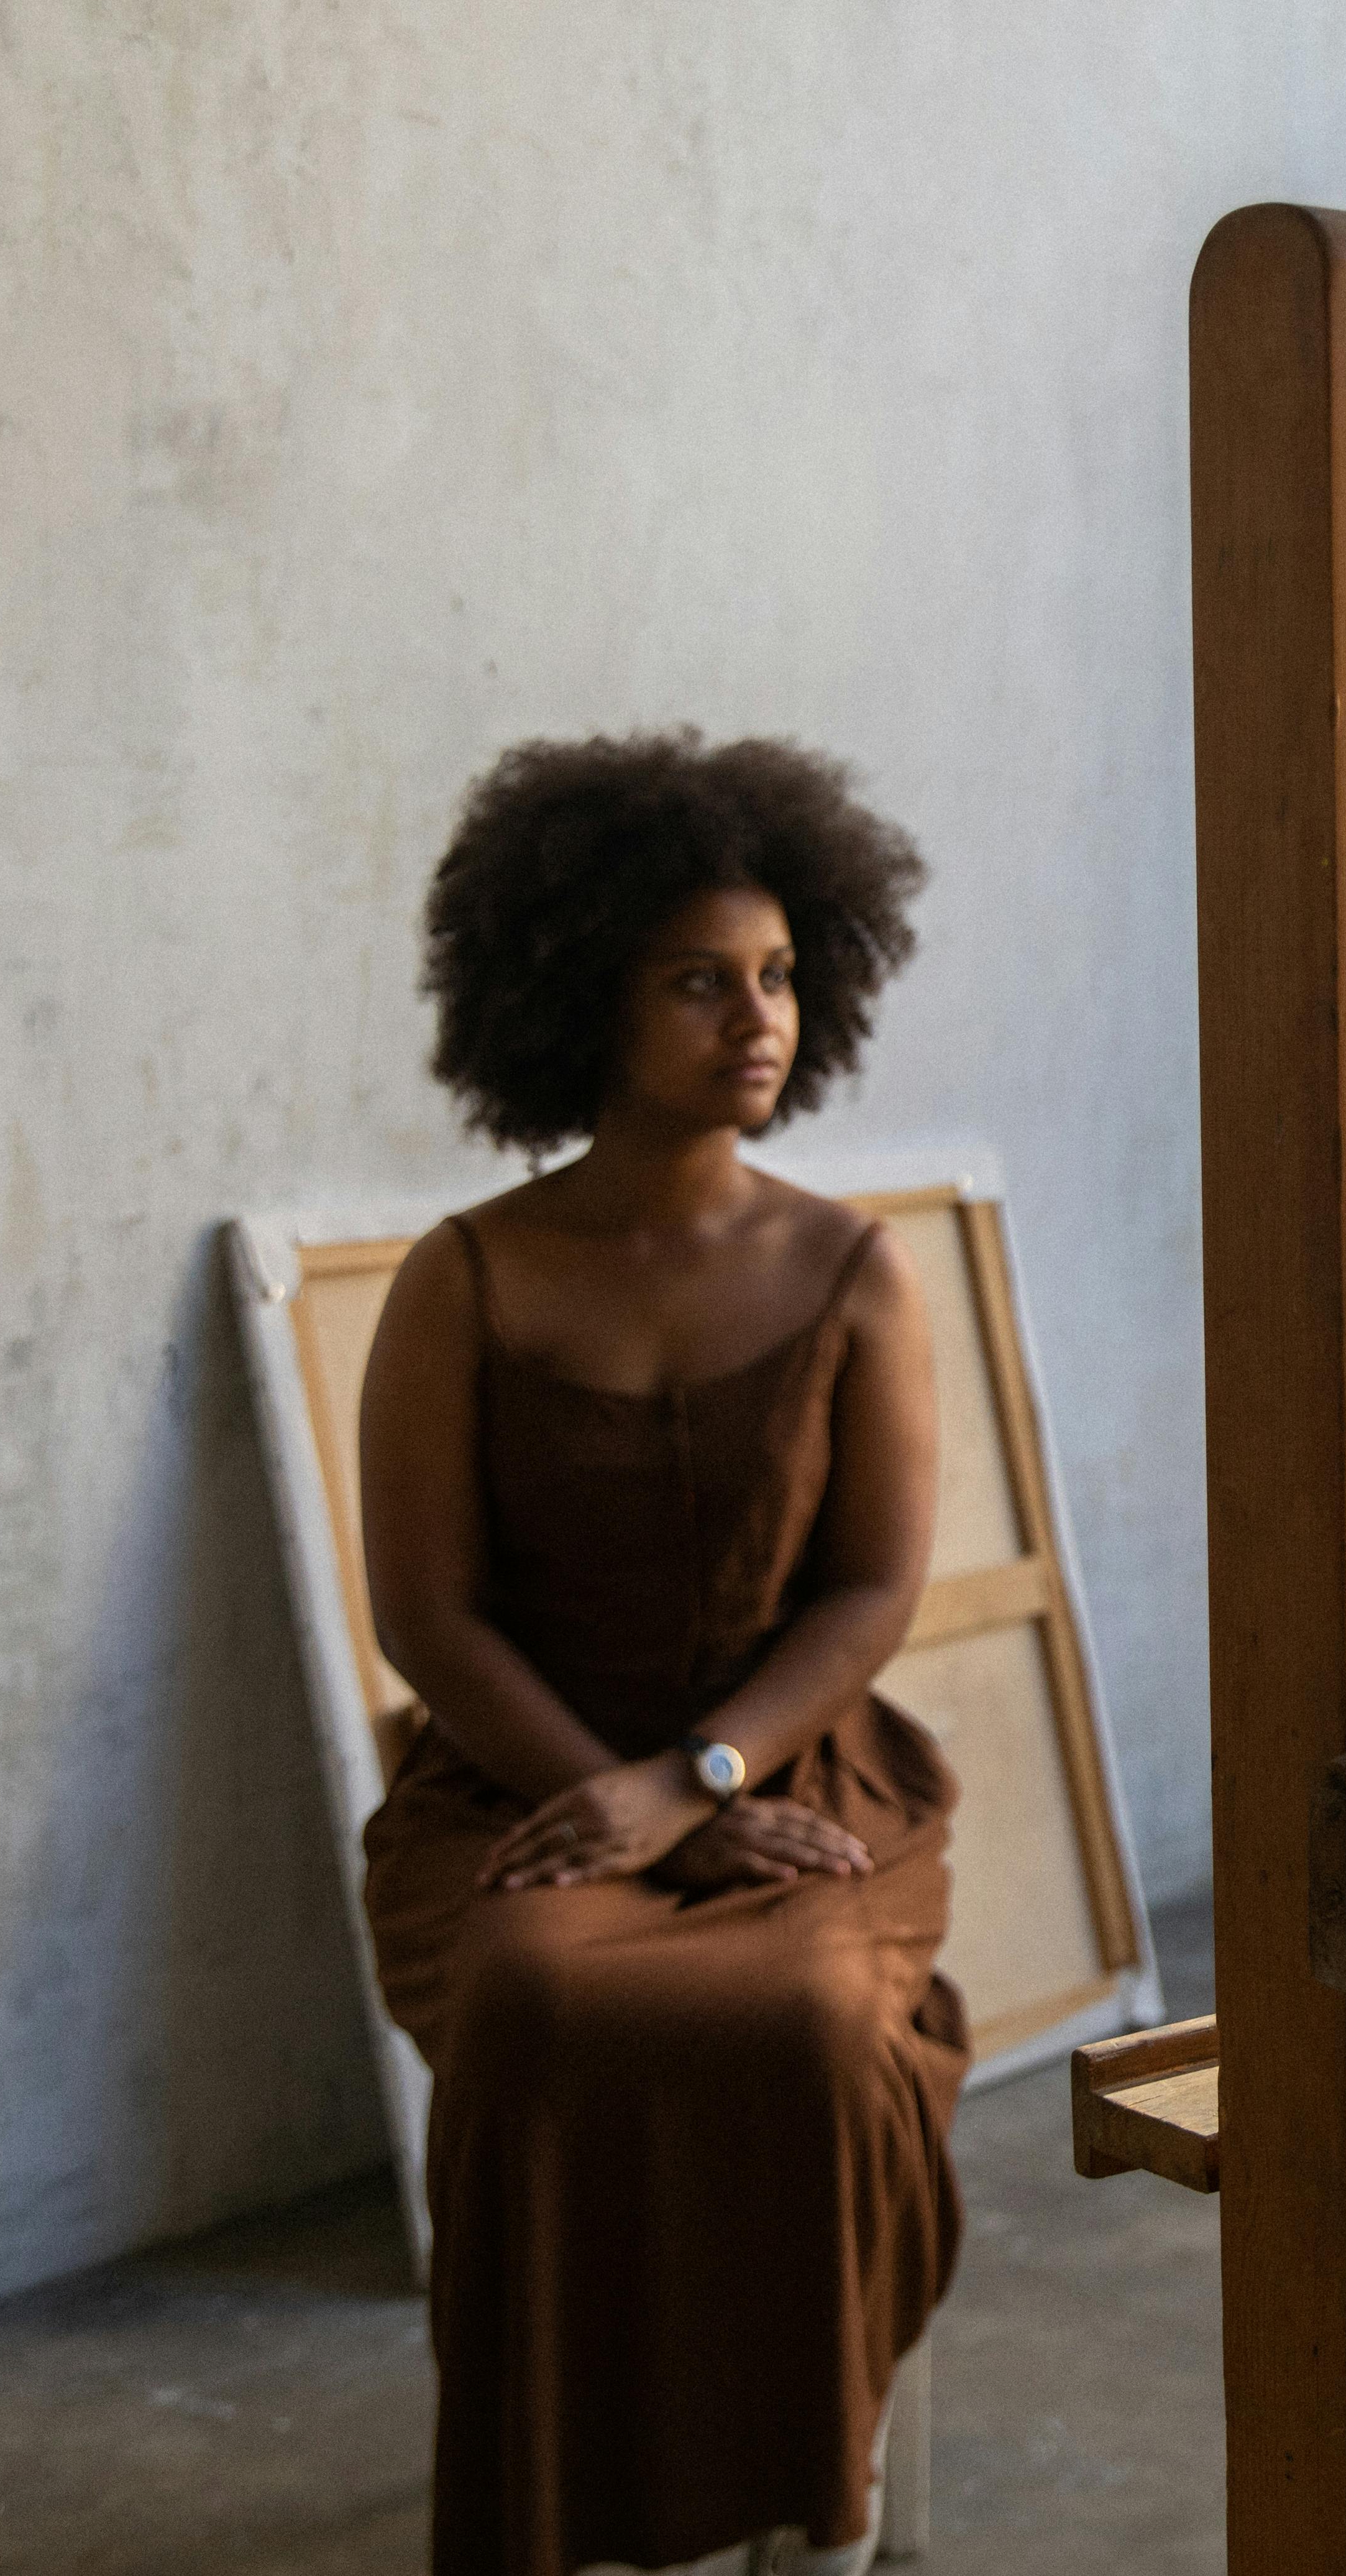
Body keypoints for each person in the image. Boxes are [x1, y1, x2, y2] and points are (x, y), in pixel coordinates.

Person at [355, 731, 959, 2576]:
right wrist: (618, 1805)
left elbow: (868, 1596)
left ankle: (815, 2513)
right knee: (540, 1996)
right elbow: (427, 1618)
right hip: (520, 1786)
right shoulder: (463, 1279)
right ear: (578, 997)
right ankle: (565, 2523)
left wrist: (698, 1787)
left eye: (779, 977)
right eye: (700, 981)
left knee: (804, 2023)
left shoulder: (854, 1275)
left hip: (799, 1782)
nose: (755, 1019)